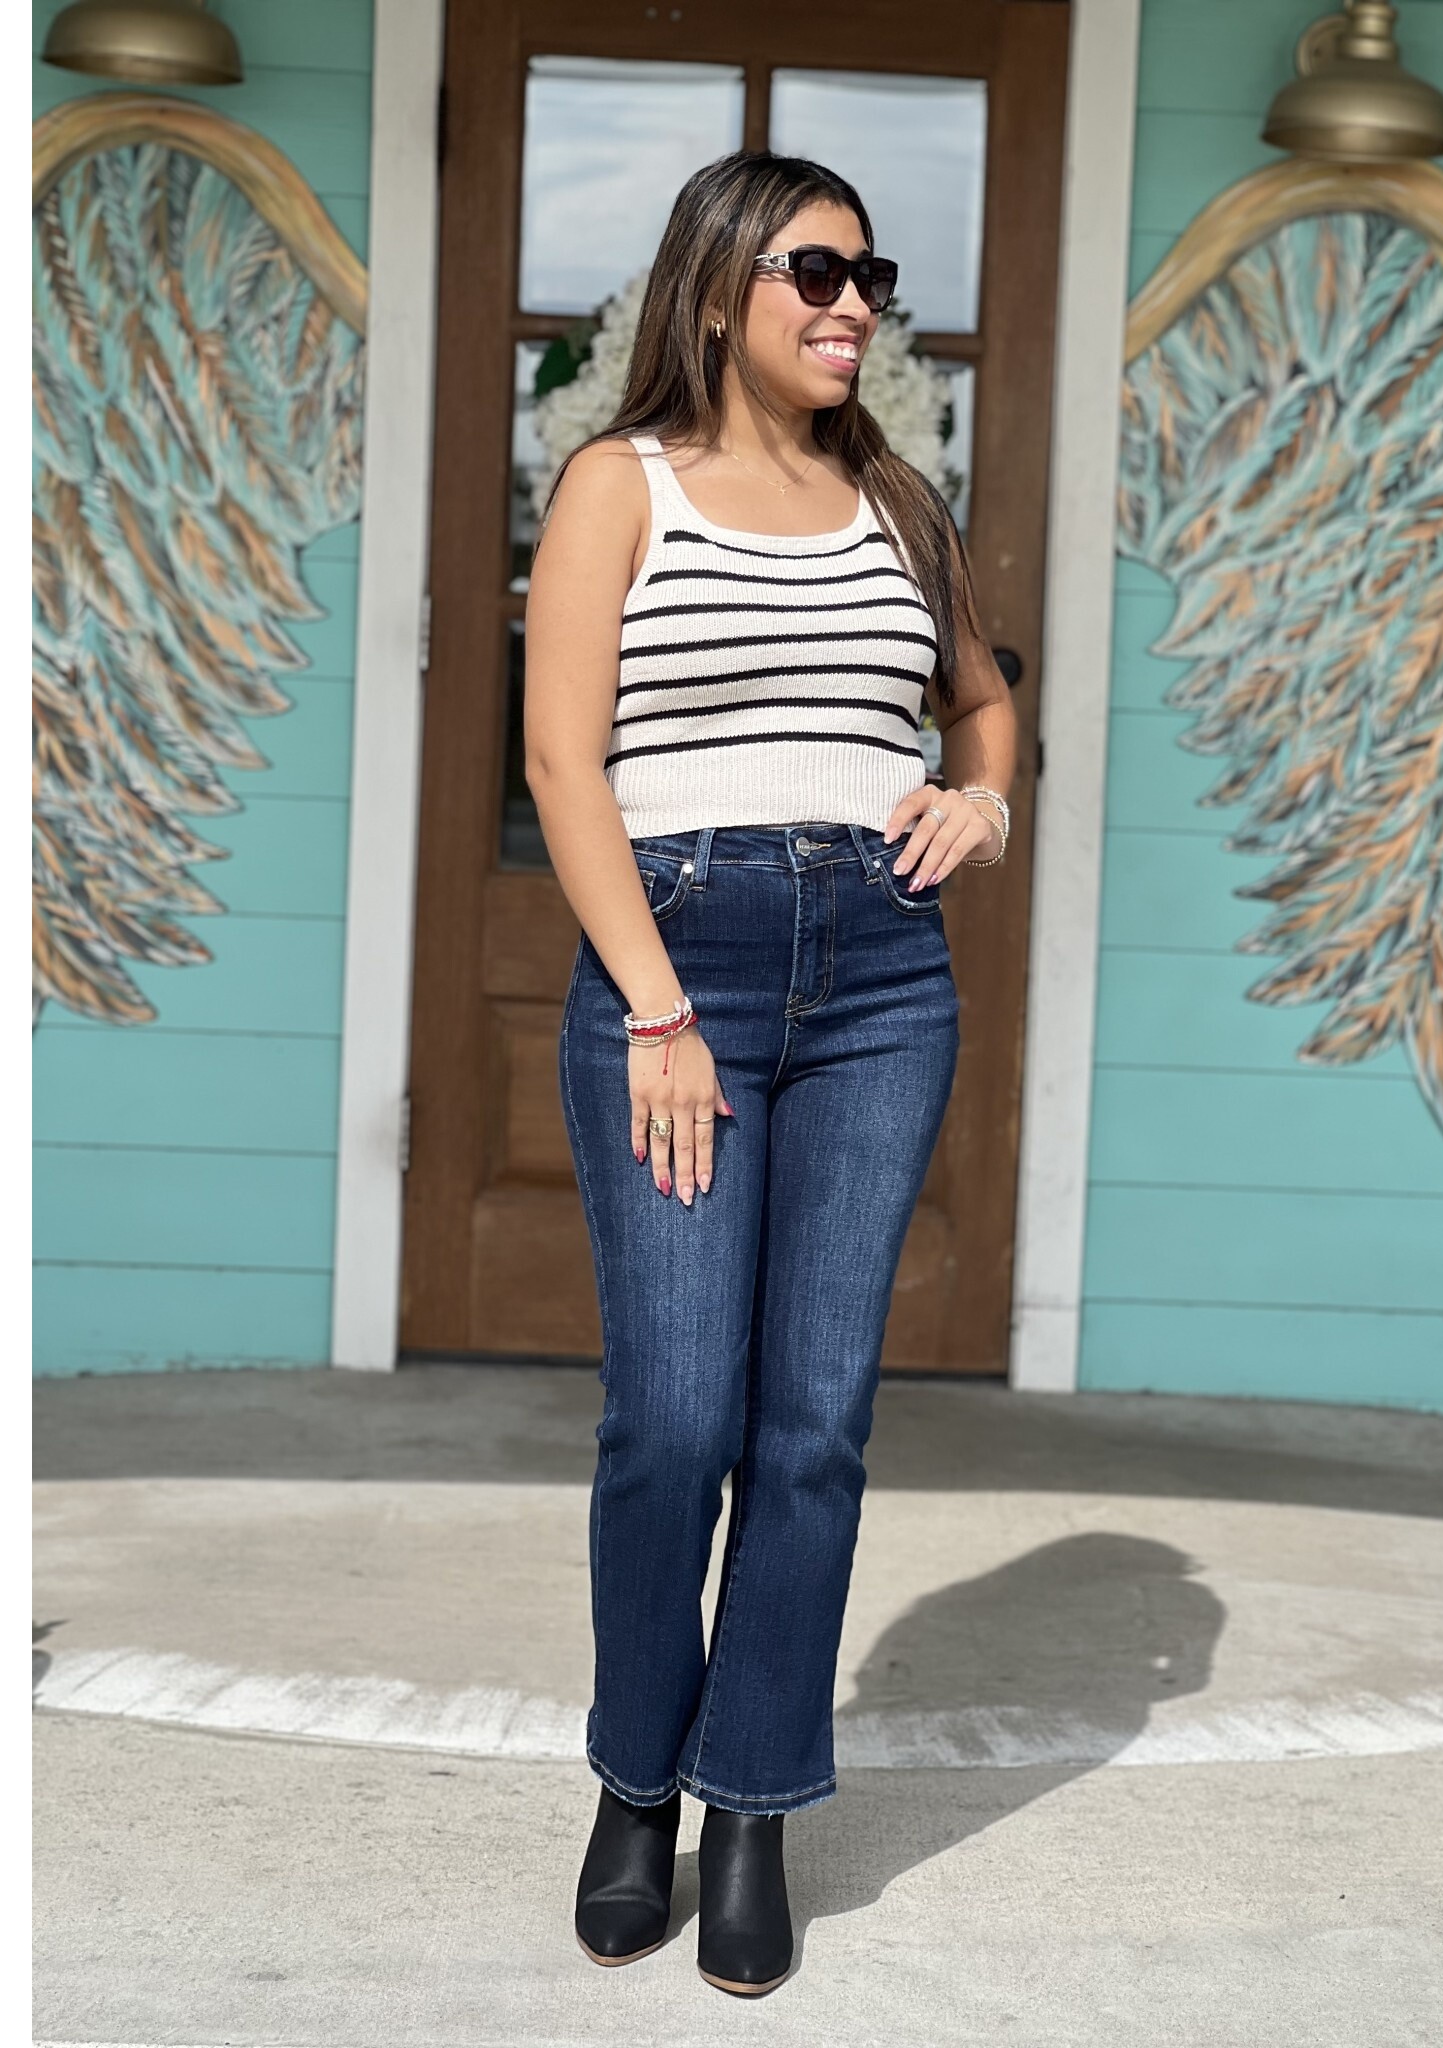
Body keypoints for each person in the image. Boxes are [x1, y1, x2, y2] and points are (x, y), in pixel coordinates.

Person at [522, 149, 1015, 1997]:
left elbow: (983, 702)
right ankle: (633, 1785)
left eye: (872, 276)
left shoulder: (899, 496)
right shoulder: (616, 484)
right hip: (682, 964)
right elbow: (565, 767)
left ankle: (752, 1808)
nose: (853, 305)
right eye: (816, 271)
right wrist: (654, 1008)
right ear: (721, 283)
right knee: (674, 1422)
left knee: (813, 1427)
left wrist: (979, 803)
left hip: (883, 979)